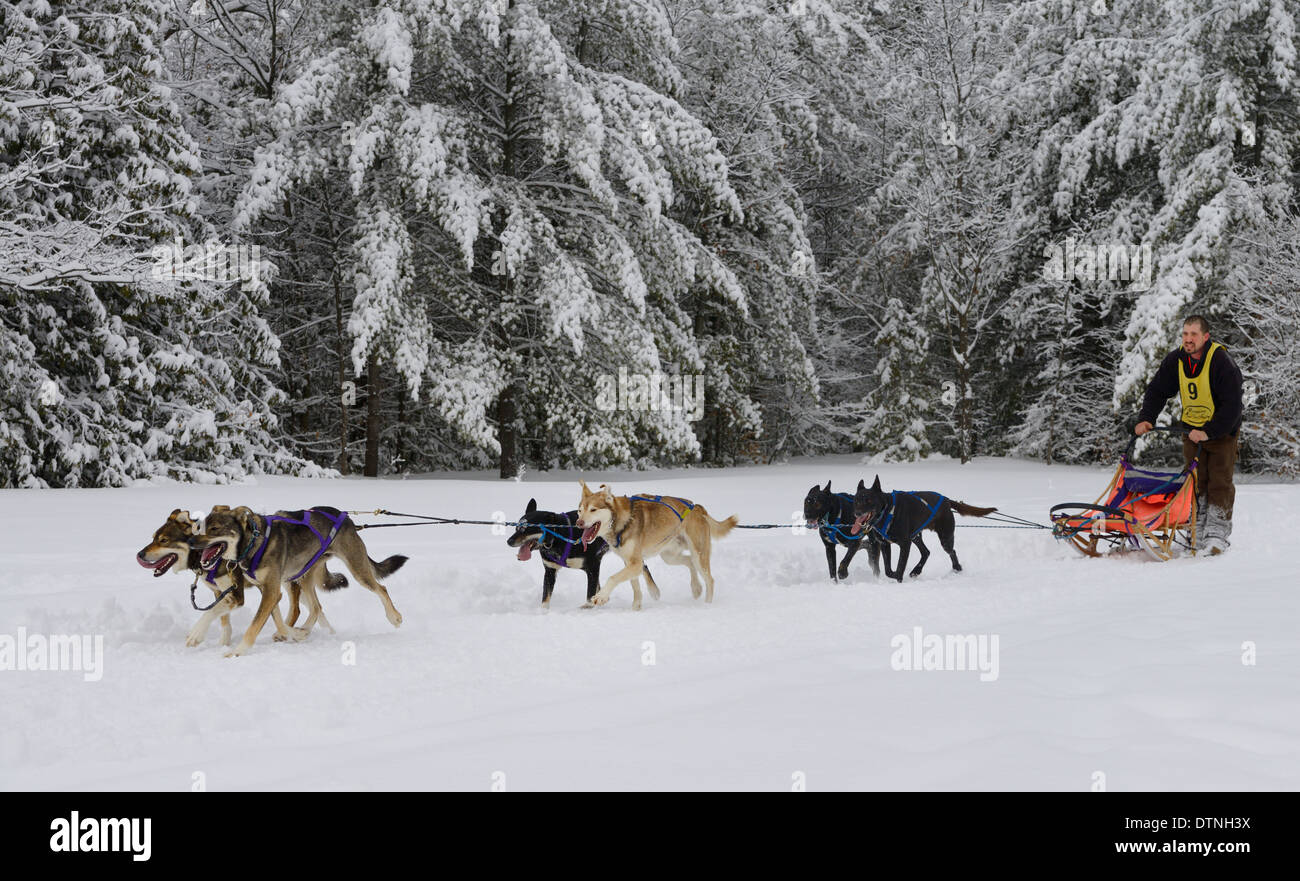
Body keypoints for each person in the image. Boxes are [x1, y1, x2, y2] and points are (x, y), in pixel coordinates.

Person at [1134, 315, 1243, 555]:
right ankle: (1197, 529)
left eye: (1193, 334)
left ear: (1205, 336)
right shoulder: (1177, 360)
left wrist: (1209, 432)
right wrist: (1146, 418)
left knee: (1219, 482)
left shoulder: (1221, 362)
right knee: (1195, 482)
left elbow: (1233, 405)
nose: (1188, 339)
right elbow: (1157, 389)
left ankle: (1217, 533)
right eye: (1185, 334)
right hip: (1192, 431)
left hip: (1222, 432)